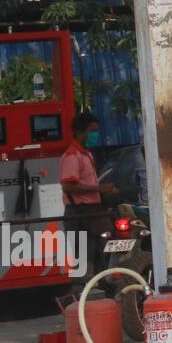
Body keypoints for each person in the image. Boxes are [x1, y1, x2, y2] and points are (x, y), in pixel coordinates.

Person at [60, 112, 116, 281]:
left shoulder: (87, 154)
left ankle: (99, 292)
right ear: (78, 132)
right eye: (92, 131)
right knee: (84, 259)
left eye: (97, 131)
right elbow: (68, 186)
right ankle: (84, 295)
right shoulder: (72, 156)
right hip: (79, 213)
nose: (95, 135)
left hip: (92, 212)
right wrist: (100, 188)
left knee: (99, 255)